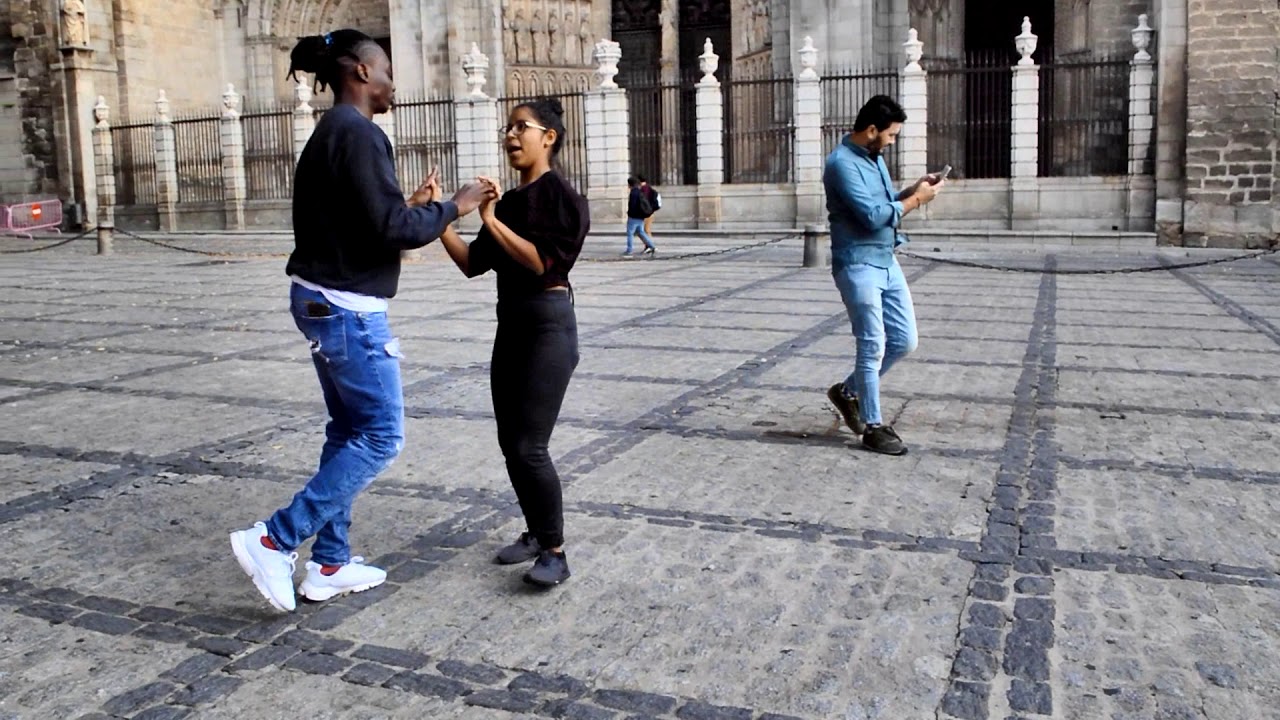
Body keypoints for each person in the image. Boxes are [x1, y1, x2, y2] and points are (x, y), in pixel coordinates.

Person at [228, 28, 491, 612]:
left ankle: (329, 563)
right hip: (347, 309)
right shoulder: (360, 133)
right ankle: (274, 539)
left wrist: (417, 208)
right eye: (388, 68)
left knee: (347, 433)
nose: (395, 80)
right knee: (379, 436)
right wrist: (458, 205)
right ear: (362, 72)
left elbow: (370, 221)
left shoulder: (333, 132)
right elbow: (393, 233)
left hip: (322, 299)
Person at [438, 97, 590, 587]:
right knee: (511, 444)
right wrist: (440, 215)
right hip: (513, 326)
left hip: (548, 325)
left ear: (548, 136)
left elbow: (541, 263)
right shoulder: (507, 204)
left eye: (520, 127)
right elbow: (471, 263)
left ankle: (555, 552)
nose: (510, 135)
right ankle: (534, 531)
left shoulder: (563, 197)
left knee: (531, 447)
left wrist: (490, 220)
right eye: (507, 127)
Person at [823, 95, 943, 456]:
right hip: (857, 264)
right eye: (890, 135)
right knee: (872, 344)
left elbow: (884, 200)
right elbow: (873, 216)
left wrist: (910, 190)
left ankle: (846, 392)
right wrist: (917, 201)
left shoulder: (873, 158)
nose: (892, 141)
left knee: (904, 341)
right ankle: (873, 426)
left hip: (886, 260)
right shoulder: (840, 164)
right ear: (871, 130)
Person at [623, 176, 656, 257]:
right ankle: (652, 246)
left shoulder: (633, 193)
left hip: (633, 217)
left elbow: (632, 206)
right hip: (640, 217)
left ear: (630, 184)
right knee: (641, 232)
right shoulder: (640, 192)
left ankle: (629, 250)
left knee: (630, 233)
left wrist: (629, 214)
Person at [639, 175, 661, 240]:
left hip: (647, 212)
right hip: (650, 211)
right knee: (646, 230)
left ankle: (650, 246)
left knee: (646, 230)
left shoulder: (644, 189)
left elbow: (644, 201)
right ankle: (649, 245)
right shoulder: (648, 188)